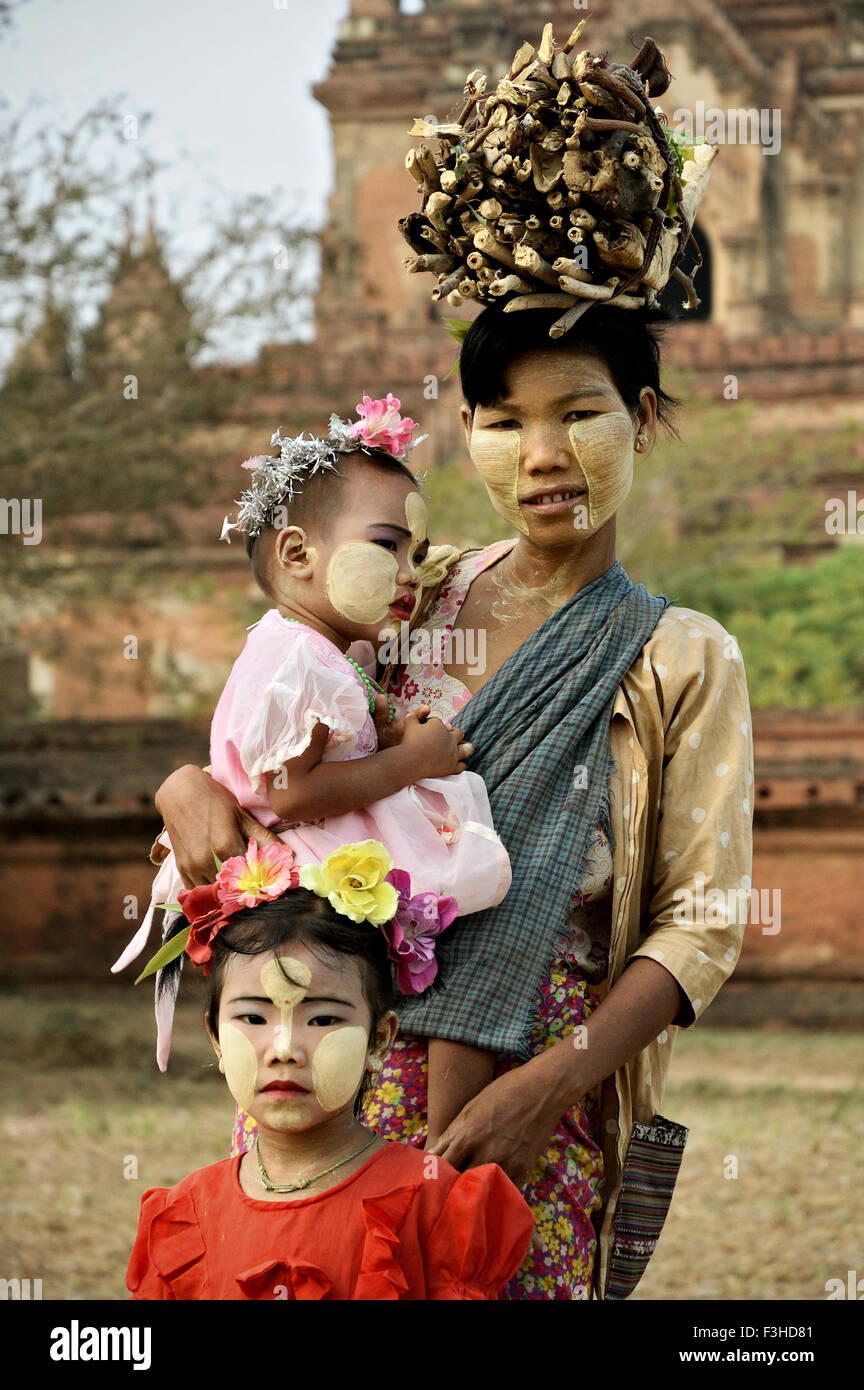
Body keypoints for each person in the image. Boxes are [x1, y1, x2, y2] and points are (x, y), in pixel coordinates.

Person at [153, 303, 754, 1301]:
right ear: (467, 430)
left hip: (530, 1081)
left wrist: (550, 1084)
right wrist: (184, 785)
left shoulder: (682, 655)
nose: (544, 453)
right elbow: (272, 736)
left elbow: (702, 927)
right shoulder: (403, 594)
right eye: (505, 419)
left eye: (580, 414)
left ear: (641, 419)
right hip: (333, 1044)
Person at [113, 394, 511, 1110]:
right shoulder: (302, 660)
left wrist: (385, 733)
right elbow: (295, 794)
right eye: (388, 546)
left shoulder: (320, 652)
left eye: (418, 553)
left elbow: (313, 758)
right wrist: (415, 761)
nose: (412, 573)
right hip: (300, 886)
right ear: (297, 554)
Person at [125, 837, 534, 1300]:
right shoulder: (186, 1214)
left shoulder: (432, 1205)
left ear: (379, 1039)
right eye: (254, 1018)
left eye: (321, 1019)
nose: (284, 1049)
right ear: (216, 1038)